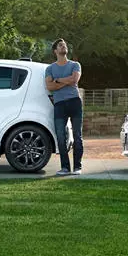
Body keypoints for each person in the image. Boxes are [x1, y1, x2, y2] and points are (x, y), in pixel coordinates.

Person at [45, 38, 83, 176]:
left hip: (74, 102)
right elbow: (49, 86)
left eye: (65, 45)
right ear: (55, 51)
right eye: (61, 45)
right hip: (59, 104)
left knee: (77, 136)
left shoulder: (75, 65)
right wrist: (67, 81)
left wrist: (58, 80)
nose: (63, 47)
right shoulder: (50, 68)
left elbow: (75, 80)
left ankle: (77, 167)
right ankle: (65, 168)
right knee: (60, 136)